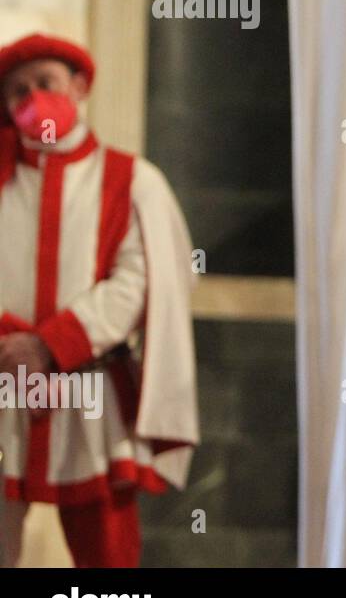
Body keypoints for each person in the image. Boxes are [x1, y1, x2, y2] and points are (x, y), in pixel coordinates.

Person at [0, 33, 198, 568]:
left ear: (80, 86)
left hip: (89, 393)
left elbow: (140, 281)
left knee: (107, 563)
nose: (33, 99)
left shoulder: (133, 181)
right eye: (18, 92)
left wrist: (48, 344)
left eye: (46, 83)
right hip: (2, 386)